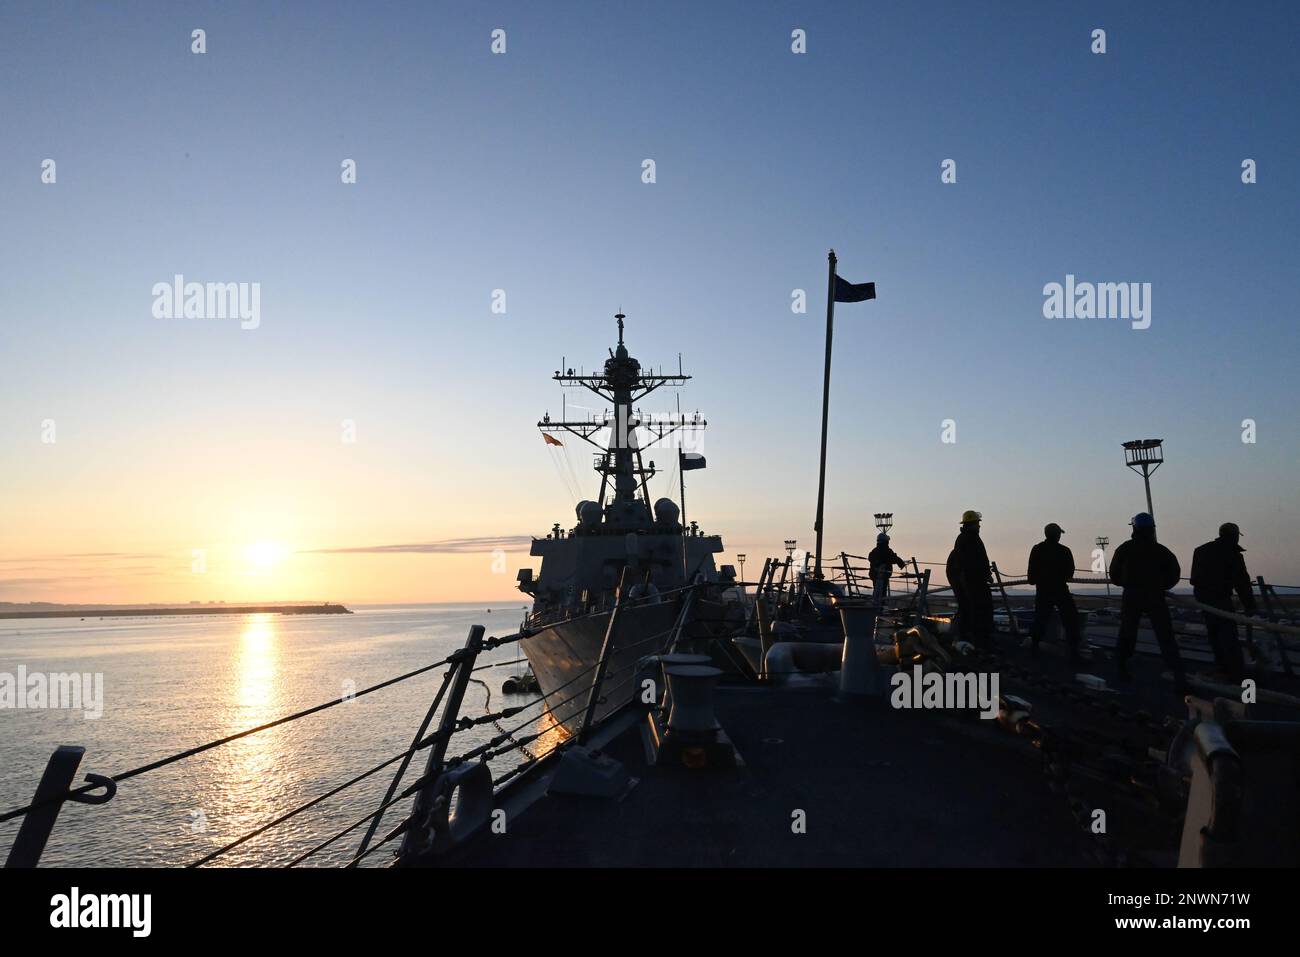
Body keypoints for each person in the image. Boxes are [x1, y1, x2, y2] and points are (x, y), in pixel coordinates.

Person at [1109, 512, 1187, 696]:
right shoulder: (1161, 551)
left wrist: (1125, 582)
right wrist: (1161, 586)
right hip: (1155, 596)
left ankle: (1121, 670)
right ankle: (1179, 678)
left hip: (1132, 595)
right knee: (1166, 637)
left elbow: (1114, 575)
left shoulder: (1125, 549)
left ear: (1134, 528)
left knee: (1127, 633)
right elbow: (1174, 573)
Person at [1190, 522, 1256, 680]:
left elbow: (1195, 580)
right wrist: (1250, 605)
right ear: (1235, 536)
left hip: (1205, 601)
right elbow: (1242, 583)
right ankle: (1235, 673)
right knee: (1228, 637)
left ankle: (1223, 669)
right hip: (1221, 600)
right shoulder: (1233, 554)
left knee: (1215, 636)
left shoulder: (1201, 551)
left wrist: (1201, 599)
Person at [1026, 522, 1084, 664]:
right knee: (1071, 620)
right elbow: (1069, 572)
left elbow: (1031, 576)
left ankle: (1034, 649)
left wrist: (1039, 580)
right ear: (1058, 535)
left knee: (1040, 618)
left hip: (1043, 590)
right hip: (1060, 589)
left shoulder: (1037, 549)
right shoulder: (1064, 551)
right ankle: (1074, 652)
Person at [948, 510, 995, 649]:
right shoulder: (969, 539)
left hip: (970, 579)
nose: (979, 526)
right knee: (978, 607)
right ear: (972, 524)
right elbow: (974, 561)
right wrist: (984, 574)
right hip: (972, 580)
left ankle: (970, 637)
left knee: (969, 607)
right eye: (977, 523)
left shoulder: (966, 538)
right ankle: (978, 639)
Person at [867, 533, 907, 606]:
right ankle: (881, 607)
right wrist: (901, 564)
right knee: (882, 592)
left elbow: (871, 558)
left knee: (876, 590)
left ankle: (876, 605)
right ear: (886, 542)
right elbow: (893, 558)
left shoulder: (874, 551)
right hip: (883, 575)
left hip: (874, 575)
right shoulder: (887, 550)